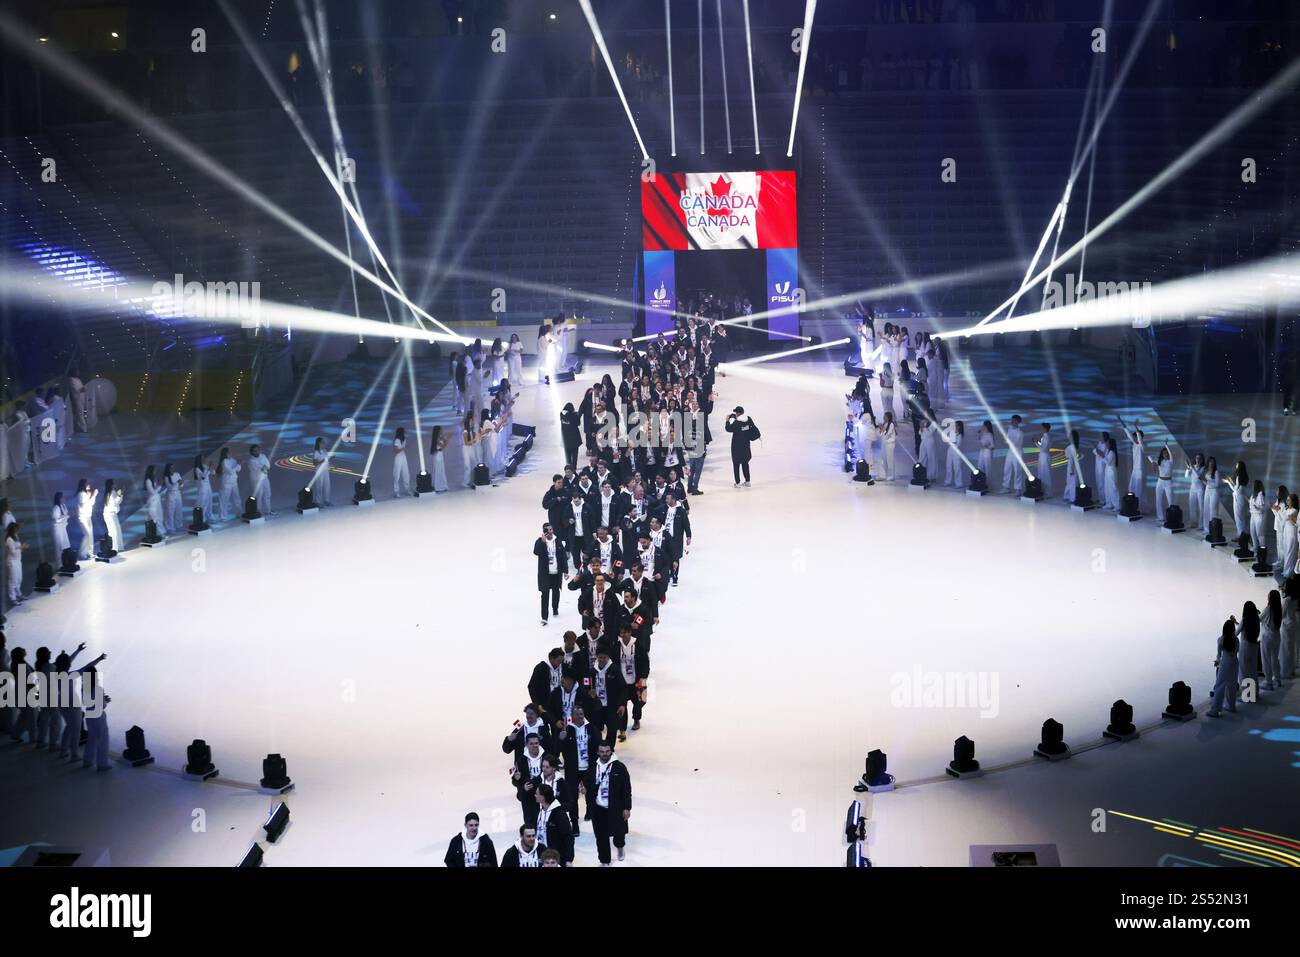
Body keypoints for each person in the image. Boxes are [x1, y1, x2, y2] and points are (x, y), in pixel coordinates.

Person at [584, 742, 632, 866]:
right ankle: (604, 860)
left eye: (607, 751)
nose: (605, 754)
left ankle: (620, 846)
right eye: (602, 751)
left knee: (619, 832)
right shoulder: (593, 767)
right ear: (598, 752)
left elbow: (626, 789)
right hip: (598, 808)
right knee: (600, 836)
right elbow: (588, 784)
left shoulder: (620, 767)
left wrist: (627, 807)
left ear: (611, 751)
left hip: (616, 807)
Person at [534, 523, 569, 626]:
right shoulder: (539, 541)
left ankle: (555, 608)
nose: (550, 531)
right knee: (545, 594)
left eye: (551, 529)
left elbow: (563, 557)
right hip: (545, 573)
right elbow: (536, 552)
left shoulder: (557, 542)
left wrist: (565, 571)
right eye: (547, 530)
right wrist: (542, 542)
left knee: (556, 591)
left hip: (556, 572)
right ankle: (544, 617)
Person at [1207, 618, 1240, 717]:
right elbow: (1237, 650)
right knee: (1232, 685)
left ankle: (1215, 710)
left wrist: (1217, 663)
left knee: (1219, 686)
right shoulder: (1236, 640)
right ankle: (1231, 706)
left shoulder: (1221, 639)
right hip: (1234, 662)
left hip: (1225, 663)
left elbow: (1218, 655)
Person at [534, 782, 573, 866]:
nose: (535, 795)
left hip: (555, 857)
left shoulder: (559, 814)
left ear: (543, 797)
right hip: (541, 854)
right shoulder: (540, 810)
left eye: (537, 794)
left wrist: (569, 858)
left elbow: (568, 837)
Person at [725, 406, 761, 487]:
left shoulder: (736, 423)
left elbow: (728, 429)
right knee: (745, 463)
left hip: (736, 447)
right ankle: (747, 481)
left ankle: (737, 483)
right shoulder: (748, 419)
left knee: (736, 464)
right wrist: (735, 418)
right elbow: (747, 425)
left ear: (737, 413)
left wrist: (727, 420)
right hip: (746, 446)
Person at [1117, 416, 1145, 502]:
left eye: (1135, 437)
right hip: (1134, 469)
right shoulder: (1134, 445)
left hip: (1140, 470)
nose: (1134, 438)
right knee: (1131, 487)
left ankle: (1139, 506)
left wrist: (1136, 427)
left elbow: (1139, 438)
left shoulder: (1141, 446)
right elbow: (1128, 433)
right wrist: (1121, 421)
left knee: (1138, 489)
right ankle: (1133, 505)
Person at [1261, 590, 1283, 691]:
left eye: (1268, 595)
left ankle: (1268, 682)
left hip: (1267, 637)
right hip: (1277, 636)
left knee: (1266, 660)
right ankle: (1277, 680)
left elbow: (1259, 619)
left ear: (1270, 598)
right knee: (1275, 659)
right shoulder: (1279, 608)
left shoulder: (1268, 608)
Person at [1148, 446, 1174, 523]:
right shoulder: (1160, 461)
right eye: (1164, 453)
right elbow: (1152, 463)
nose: (1165, 454)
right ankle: (1160, 517)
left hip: (1168, 482)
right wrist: (1152, 462)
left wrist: (1166, 445)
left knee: (1170, 500)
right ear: (1162, 454)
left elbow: (1171, 453)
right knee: (1158, 499)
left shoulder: (1170, 461)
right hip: (1160, 481)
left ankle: (1171, 518)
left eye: (1166, 453)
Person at [75, 478, 99, 558]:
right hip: (82, 517)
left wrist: (91, 496)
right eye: (87, 484)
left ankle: (89, 552)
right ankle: (82, 553)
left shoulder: (85, 494)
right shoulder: (81, 494)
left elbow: (91, 504)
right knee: (87, 534)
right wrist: (93, 495)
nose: (89, 485)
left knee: (90, 535)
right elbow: (86, 504)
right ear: (84, 485)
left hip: (88, 517)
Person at [5, 522, 27, 605]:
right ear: (12, 530)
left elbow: (18, 548)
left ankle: (19, 594)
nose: (17, 530)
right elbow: (13, 552)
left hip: (18, 561)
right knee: (12, 580)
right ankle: (13, 598)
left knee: (19, 579)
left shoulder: (16, 537)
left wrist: (22, 547)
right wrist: (22, 547)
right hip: (12, 562)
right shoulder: (9, 539)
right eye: (16, 529)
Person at [1002, 415, 1024, 494]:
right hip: (1010, 451)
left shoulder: (1020, 433)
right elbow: (1007, 440)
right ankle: (1006, 487)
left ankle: (1018, 489)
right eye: (1011, 420)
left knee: (1017, 470)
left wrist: (1009, 441)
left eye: (1013, 420)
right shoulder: (1010, 429)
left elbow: (1017, 443)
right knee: (1006, 468)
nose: (1012, 422)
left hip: (1017, 452)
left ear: (1018, 422)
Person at [218, 447, 241, 521]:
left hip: (234, 482)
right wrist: (238, 464)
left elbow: (238, 469)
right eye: (228, 452)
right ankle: (223, 517)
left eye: (230, 452)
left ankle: (239, 514)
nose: (230, 454)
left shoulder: (233, 459)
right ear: (225, 454)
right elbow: (230, 471)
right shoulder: (224, 461)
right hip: (226, 483)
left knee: (237, 498)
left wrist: (238, 465)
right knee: (224, 500)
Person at [1184, 453, 1207, 529]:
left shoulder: (1203, 468)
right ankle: (1193, 523)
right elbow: (1186, 476)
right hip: (1192, 488)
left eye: (1200, 458)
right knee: (1192, 506)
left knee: (1201, 507)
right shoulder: (1192, 467)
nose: (1198, 459)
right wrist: (1188, 468)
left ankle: (1201, 524)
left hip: (1200, 489)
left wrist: (1192, 467)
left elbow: (1198, 476)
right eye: (1197, 458)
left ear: (1202, 459)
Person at [248, 444, 272, 515]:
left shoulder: (263, 456)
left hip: (265, 478)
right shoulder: (251, 461)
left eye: (258, 450)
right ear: (252, 452)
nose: (257, 452)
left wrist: (264, 467)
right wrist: (263, 466)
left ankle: (268, 510)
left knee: (268, 494)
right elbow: (260, 468)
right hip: (256, 480)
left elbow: (267, 465)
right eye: (255, 451)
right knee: (259, 496)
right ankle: (258, 512)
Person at [102, 479, 124, 553]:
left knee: (117, 530)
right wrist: (118, 495)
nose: (115, 485)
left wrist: (120, 495)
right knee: (113, 532)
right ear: (111, 485)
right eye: (114, 483)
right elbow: (114, 503)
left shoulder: (112, 492)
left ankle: (118, 547)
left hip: (113, 514)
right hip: (109, 515)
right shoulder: (110, 493)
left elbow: (118, 502)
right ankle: (114, 549)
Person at [144, 465, 166, 532]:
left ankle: (161, 532)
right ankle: (157, 533)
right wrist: (160, 485)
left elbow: (155, 491)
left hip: (157, 500)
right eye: (154, 470)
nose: (155, 472)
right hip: (152, 502)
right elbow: (152, 492)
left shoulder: (153, 480)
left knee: (159, 516)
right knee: (154, 517)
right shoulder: (148, 481)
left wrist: (159, 485)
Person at [163, 463, 183, 532]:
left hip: (177, 493)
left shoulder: (177, 474)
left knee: (179, 509)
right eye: (171, 468)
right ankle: (170, 527)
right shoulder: (166, 477)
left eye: (173, 468)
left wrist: (181, 483)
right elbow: (169, 487)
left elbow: (182, 485)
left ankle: (179, 525)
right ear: (168, 469)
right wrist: (177, 482)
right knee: (170, 511)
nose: (172, 469)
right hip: (170, 494)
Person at [311, 438, 332, 506]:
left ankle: (327, 500)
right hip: (319, 471)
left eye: (324, 442)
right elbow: (314, 463)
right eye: (322, 442)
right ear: (319, 443)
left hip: (326, 471)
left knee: (327, 485)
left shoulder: (325, 451)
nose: (324, 443)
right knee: (319, 486)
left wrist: (330, 459)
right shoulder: (316, 452)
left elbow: (326, 460)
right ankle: (318, 502)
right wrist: (321, 461)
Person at [193, 454, 214, 522]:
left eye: (204, 458)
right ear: (199, 460)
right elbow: (203, 477)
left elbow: (213, 473)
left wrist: (212, 467)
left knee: (209, 501)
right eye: (202, 459)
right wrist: (209, 468)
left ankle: (209, 517)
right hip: (202, 487)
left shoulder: (205, 466)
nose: (204, 460)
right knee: (202, 502)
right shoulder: (197, 469)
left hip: (208, 486)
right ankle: (201, 519)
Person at [51, 491, 71, 557]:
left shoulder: (63, 506)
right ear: (59, 498)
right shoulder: (56, 507)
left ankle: (64, 563)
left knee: (64, 546)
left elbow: (66, 515)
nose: (64, 498)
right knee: (59, 547)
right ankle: (59, 564)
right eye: (63, 497)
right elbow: (56, 520)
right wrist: (67, 516)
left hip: (63, 528)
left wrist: (70, 515)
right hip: (57, 529)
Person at [429, 426, 449, 493]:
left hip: (440, 454)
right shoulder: (436, 438)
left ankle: (443, 485)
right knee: (438, 470)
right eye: (441, 430)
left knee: (441, 470)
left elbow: (444, 445)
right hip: (437, 455)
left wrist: (445, 439)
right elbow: (444, 446)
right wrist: (447, 439)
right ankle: (437, 486)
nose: (442, 431)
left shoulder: (440, 437)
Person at [392, 427, 411, 497]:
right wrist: (404, 448)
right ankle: (396, 491)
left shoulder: (404, 439)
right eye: (403, 431)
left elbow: (403, 449)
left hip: (403, 457)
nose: (404, 432)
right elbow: (395, 450)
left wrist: (405, 448)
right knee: (396, 475)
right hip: (398, 458)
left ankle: (407, 490)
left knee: (406, 474)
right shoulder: (397, 440)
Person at [1034, 423, 1052, 496]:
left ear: (1045, 428)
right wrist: (1038, 442)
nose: (1041, 429)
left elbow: (1043, 449)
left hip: (1044, 456)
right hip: (1042, 456)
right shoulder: (1045, 437)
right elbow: (1043, 446)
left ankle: (1048, 493)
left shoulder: (1046, 437)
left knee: (1046, 474)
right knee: (1041, 473)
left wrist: (1036, 443)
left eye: (1042, 428)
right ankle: (1042, 491)